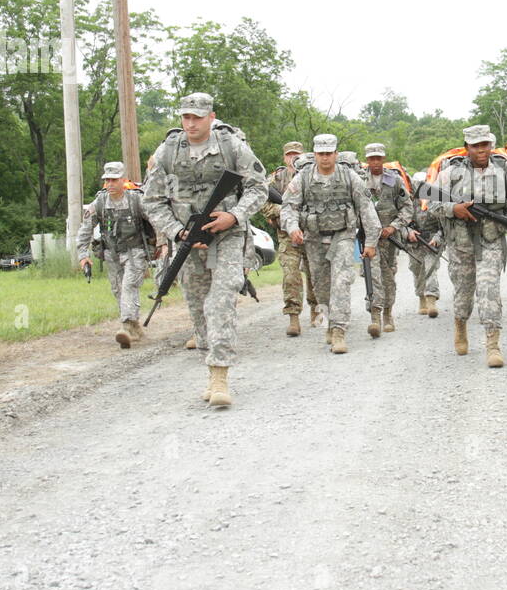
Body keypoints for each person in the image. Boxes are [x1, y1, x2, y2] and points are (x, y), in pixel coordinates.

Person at [142, 92, 268, 408]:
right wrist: (178, 231)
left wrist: (234, 215)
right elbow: (152, 201)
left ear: (211, 117)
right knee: (197, 308)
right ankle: (208, 366)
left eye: (197, 117)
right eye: (186, 117)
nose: (191, 123)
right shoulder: (167, 151)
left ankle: (220, 375)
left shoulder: (232, 146)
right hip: (187, 240)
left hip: (227, 235)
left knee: (221, 299)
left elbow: (258, 188)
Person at [428, 125, 507, 368]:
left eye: (485, 145)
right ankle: (460, 324)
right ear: (467, 148)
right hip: (460, 242)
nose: (481, 150)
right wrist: (454, 209)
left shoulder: (506, 170)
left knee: (489, 289)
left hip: (491, 239)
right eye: (476, 146)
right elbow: (431, 204)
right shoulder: (449, 174)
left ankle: (493, 344)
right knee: (463, 293)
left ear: (490, 145)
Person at [279, 133, 381, 354]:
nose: (325, 158)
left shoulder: (349, 177)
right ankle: (328, 321)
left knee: (341, 282)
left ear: (335, 154)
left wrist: (371, 241)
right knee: (321, 287)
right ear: (315, 154)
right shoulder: (303, 178)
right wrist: (293, 227)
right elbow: (288, 206)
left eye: (328, 153)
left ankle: (338, 331)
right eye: (320, 154)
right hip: (314, 238)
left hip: (342, 235)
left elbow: (366, 208)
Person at [77, 161, 158, 348]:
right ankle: (134, 325)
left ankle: (126, 328)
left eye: (114, 180)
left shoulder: (136, 199)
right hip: (111, 252)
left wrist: (162, 244)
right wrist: (83, 255)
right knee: (118, 290)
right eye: (107, 180)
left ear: (123, 180)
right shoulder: (100, 202)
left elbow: (156, 220)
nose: (110, 184)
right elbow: (85, 229)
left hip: (135, 250)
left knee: (129, 285)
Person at [263, 141, 322, 337]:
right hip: (287, 235)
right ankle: (293, 317)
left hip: (311, 233)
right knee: (290, 275)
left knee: (314, 274)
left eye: (296, 154)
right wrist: (286, 210)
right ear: (284, 157)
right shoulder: (276, 179)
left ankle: (316, 309)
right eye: (289, 155)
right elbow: (263, 204)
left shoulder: (313, 175)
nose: (293, 158)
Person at [362, 143, 415, 336]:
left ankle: (388, 314)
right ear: (367, 160)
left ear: (383, 159)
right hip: (368, 239)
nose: (375, 162)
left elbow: (407, 207)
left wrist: (393, 226)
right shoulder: (359, 180)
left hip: (389, 238)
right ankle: (374, 317)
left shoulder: (395, 181)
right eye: (371, 158)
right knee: (372, 275)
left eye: (378, 158)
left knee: (388, 277)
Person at [407, 170, 443, 316]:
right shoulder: (408, 201)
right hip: (414, 243)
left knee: (430, 269)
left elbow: (444, 225)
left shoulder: (436, 200)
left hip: (431, 242)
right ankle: (421, 296)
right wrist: (408, 231)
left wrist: (437, 238)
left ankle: (431, 299)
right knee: (416, 269)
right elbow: (402, 221)